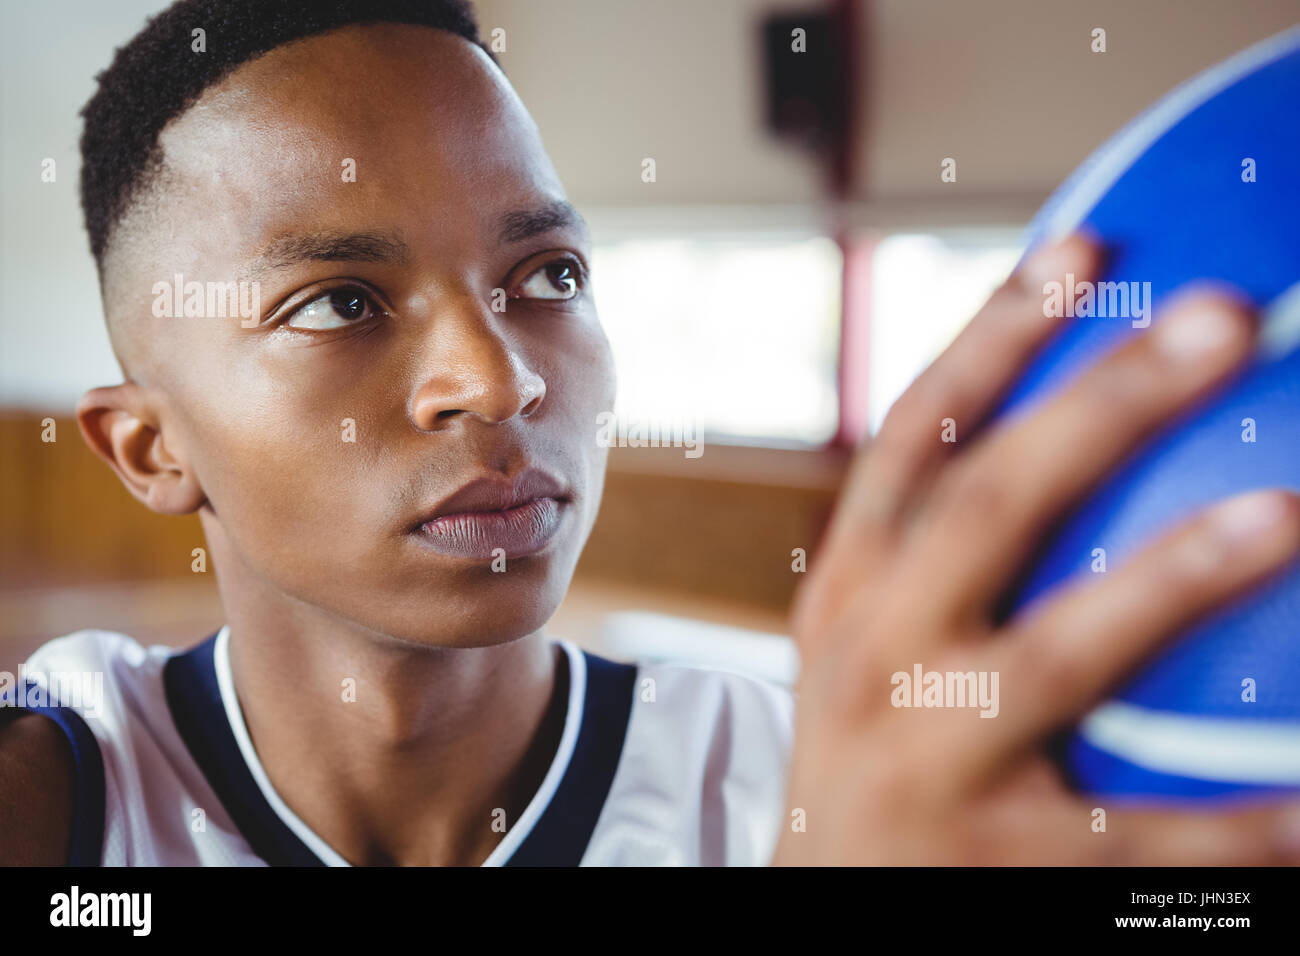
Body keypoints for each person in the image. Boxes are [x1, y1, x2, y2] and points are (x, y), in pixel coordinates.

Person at [2, 0, 1298, 866]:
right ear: (148, 450)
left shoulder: (818, 792)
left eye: (549, 276)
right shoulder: (58, 791)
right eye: (341, 302)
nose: (496, 381)